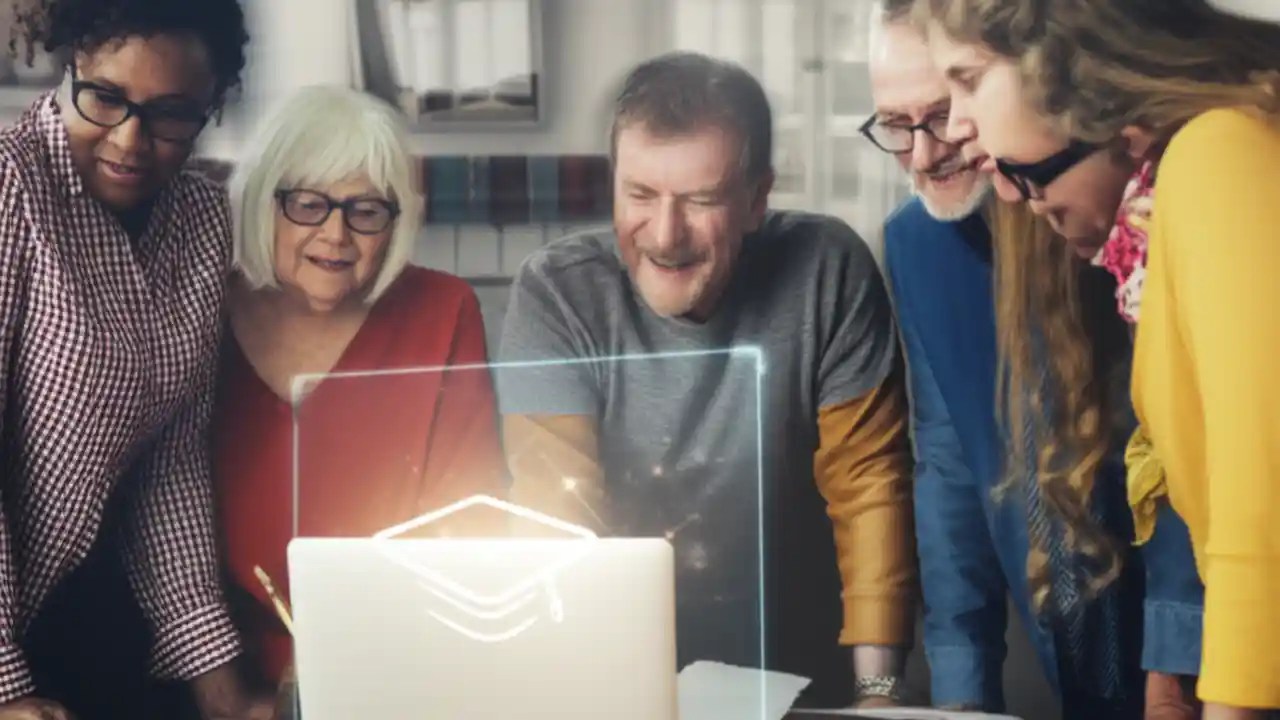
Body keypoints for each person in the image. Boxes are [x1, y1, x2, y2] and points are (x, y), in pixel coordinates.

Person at [497, 52, 918, 708]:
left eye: (699, 200)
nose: (665, 235)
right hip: (617, 683)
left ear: (756, 199)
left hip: (804, 687)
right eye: (639, 195)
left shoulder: (828, 269)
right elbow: (559, 520)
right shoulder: (556, 294)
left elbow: (869, 492)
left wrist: (877, 692)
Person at [915, 0, 1280, 717]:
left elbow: (1259, 496)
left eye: (967, 77)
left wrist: (1231, 707)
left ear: (1058, 55)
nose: (956, 126)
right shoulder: (1183, 182)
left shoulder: (1219, 151)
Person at [867, 3, 1148, 716]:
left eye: (939, 112)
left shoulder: (1104, 203)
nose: (925, 154)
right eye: (896, 127)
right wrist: (961, 695)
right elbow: (949, 475)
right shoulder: (915, 245)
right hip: (1071, 655)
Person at [0, 0, 270, 718]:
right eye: (107, 98)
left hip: (95, 609)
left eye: (171, 113)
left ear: (210, 107)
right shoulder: (11, 190)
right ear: (70, 69)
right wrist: (6, 686)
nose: (129, 139)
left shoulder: (201, 219)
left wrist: (219, 684)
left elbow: (172, 459)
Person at [214, 85, 505, 694]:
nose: (336, 235)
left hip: (395, 672)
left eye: (366, 210)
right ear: (263, 200)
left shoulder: (444, 309)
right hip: (209, 678)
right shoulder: (201, 306)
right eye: (308, 204)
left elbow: (468, 531)